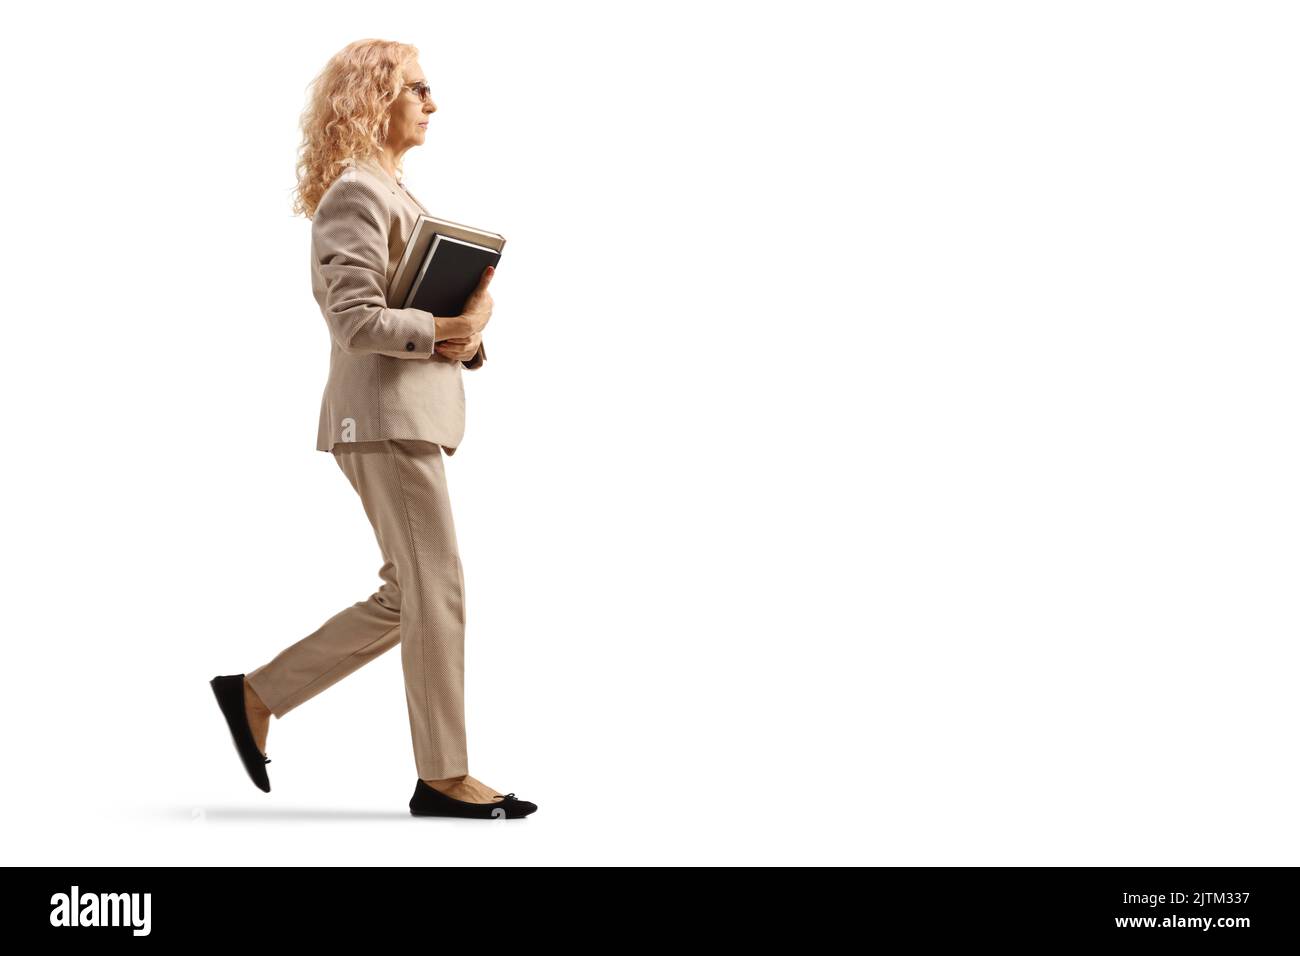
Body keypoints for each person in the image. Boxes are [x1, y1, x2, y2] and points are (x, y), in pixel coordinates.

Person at [210, 38, 536, 820]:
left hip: (406, 415)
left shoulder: (397, 193)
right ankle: (444, 776)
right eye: (418, 88)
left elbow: (417, 310)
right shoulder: (356, 192)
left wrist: (470, 328)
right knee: (439, 590)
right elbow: (354, 319)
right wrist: (449, 327)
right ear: (375, 97)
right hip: (383, 418)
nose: (433, 102)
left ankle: (255, 695)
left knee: (410, 596)